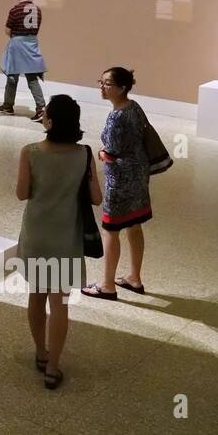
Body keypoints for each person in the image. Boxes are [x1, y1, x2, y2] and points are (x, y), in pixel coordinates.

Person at [15, 94, 101, 390]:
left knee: (36, 295)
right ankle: (53, 368)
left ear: (49, 121)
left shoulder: (30, 152)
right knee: (60, 303)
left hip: (37, 234)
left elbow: (21, 193)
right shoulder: (84, 154)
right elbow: (97, 198)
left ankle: (41, 352)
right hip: (67, 237)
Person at [83, 67, 154, 300]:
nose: (102, 87)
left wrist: (102, 154)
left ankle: (107, 285)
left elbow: (111, 152)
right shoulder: (134, 107)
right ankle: (134, 277)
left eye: (107, 84)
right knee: (134, 225)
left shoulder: (117, 117)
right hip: (139, 175)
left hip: (120, 181)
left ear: (122, 88)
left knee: (110, 230)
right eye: (101, 82)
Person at [0, 0, 47, 121]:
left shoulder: (15, 10)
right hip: (32, 44)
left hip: (17, 44)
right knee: (32, 78)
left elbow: (7, 31)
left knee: (12, 76)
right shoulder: (37, 10)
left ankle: (8, 106)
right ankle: (41, 108)